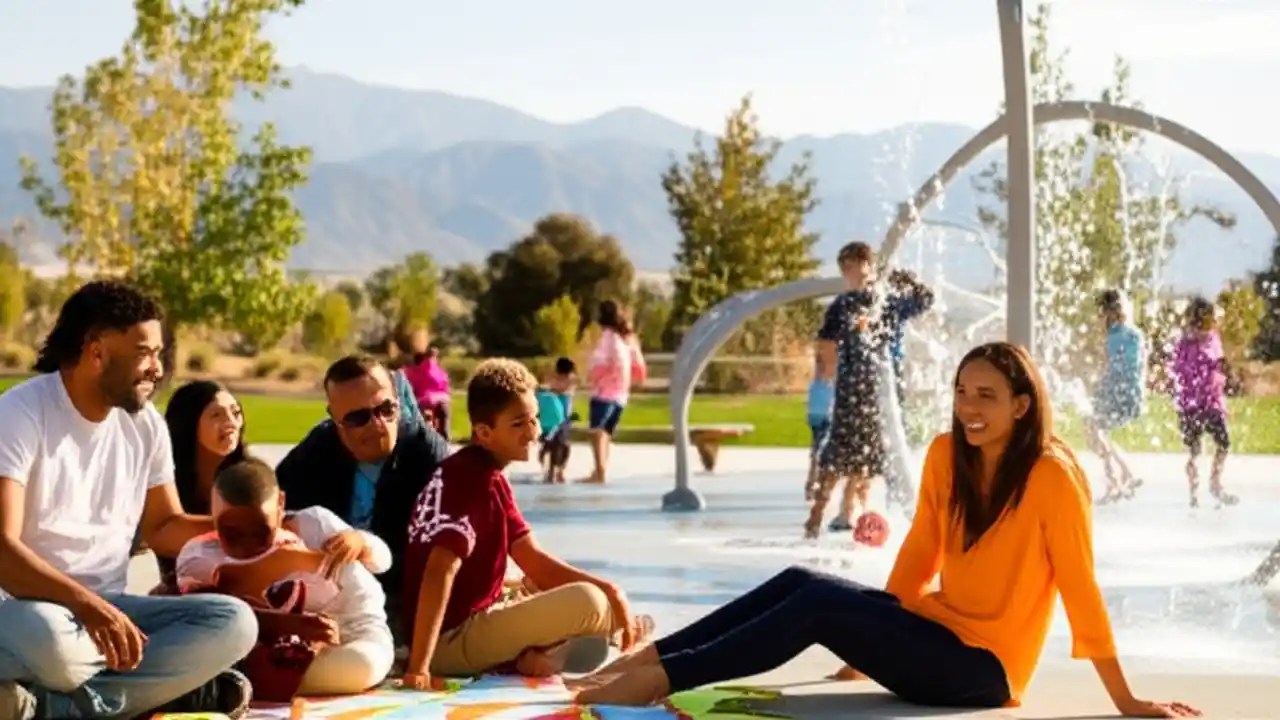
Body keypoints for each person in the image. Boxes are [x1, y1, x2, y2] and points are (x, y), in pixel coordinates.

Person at [572, 342, 1200, 719]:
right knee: (802, 578)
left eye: (986, 395)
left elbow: (1080, 587)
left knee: (818, 603)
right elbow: (921, 550)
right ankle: (643, 660)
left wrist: (1126, 700)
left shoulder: (1052, 477)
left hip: (986, 672)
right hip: (933, 634)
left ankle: (657, 682)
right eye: (961, 392)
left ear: (1022, 405)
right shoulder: (945, 453)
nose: (969, 408)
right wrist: (870, 640)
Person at [0, 281, 257, 720]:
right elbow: (3, 550)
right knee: (56, 648)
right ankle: (174, 693)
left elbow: (164, 527)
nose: (158, 369)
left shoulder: (146, 426)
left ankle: (47, 707)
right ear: (97, 353)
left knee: (234, 623)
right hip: (24, 609)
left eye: (159, 353)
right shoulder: (19, 414)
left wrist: (255, 527)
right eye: (146, 353)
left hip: (108, 610)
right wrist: (86, 605)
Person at [400, 359, 651, 690]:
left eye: (534, 419)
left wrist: (612, 590)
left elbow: (532, 557)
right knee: (590, 604)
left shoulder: (481, 474)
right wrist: (420, 666)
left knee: (527, 583)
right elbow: (439, 569)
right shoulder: (472, 481)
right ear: (484, 432)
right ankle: (544, 654)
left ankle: (539, 655)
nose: (533, 431)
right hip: (447, 642)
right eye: (519, 423)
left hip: (465, 622)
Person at [176, 458, 394, 697]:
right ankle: (230, 682)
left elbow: (383, 562)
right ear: (212, 511)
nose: (246, 545)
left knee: (364, 664)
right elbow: (211, 616)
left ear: (280, 504)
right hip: (272, 645)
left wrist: (359, 541)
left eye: (260, 533)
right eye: (232, 534)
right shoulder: (200, 555)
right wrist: (292, 622)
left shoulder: (313, 523)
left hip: (354, 632)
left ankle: (228, 684)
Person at [274, 355, 450, 639]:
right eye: (358, 418)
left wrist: (365, 548)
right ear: (335, 419)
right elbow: (275, 517)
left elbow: (438, 557)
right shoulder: (314, 455)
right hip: (324, 595)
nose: (377, 423)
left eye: (386, 409)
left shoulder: (427, 457)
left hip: (402, 601)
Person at [808, 242, 934, 536]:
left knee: (875, 455)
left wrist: (905, 279)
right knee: (836, 455)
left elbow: (925, 299)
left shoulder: (887, 301)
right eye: (843, 268)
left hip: (882, 393)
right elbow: (826, 341)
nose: (846, 273)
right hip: (850, 390)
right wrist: (824, 376)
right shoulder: (842, 305)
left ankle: (857, 512)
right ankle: (814, 520)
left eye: (850, 266)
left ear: (867, 264)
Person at [155, 380, 250, 591]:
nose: (231, 422)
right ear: (188, 423)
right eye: (216, 415)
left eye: (236, 413)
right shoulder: (164, 483)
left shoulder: (252, 478)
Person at [1169, 297, 1237, 509]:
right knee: (1197, 451)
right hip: (1195, 405)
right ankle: (1196, 492)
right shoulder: (1187, 343)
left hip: (1209, 403)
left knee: (1220, 445)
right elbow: (1181, 371)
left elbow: (1215, 367)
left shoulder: (1210, 339)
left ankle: (1211, 485)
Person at [1087, 290, 1147, 504]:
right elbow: (1139, 368)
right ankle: (1122, 477)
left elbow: (1106, 368)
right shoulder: (1135, 334)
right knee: (1098, 433)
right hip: (1130, 395)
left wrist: (1097, 390)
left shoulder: (1112, 337)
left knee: (1094, 432)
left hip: (1118, 394)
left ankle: (1120, 478)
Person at [584, 301, 647, 484]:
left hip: (605, 392)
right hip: (621, 394)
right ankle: (601, 469)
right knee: (606, 433)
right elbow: (638, 363)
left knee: (597, 432)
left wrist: (593, 377)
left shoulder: (608, 337)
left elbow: (602, 361)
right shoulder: (626, 338)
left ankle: (599, 471)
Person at [536, 357, 578, 484]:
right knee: (555, 444)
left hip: (564, 421)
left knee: (564, 446)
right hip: (550, 423)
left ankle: (559, 470)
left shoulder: (569, 383)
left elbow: (564, 390)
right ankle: (552, 470)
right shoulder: (554, 383)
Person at [401, 346, 452, 442]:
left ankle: (421, 437)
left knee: (418, 417)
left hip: (424, 400)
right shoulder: (439, 370)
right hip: (441, 399)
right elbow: (445, 385)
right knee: (444, 416)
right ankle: (446, 437)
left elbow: (409, 387)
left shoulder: (411, 371)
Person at [802, 360, 833, 502]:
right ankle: (815, 484)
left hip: (822, 419)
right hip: (821, 419)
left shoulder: (819, 386)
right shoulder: (818, 386)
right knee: (818, 454)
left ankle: (814, 484)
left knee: (817, 453)